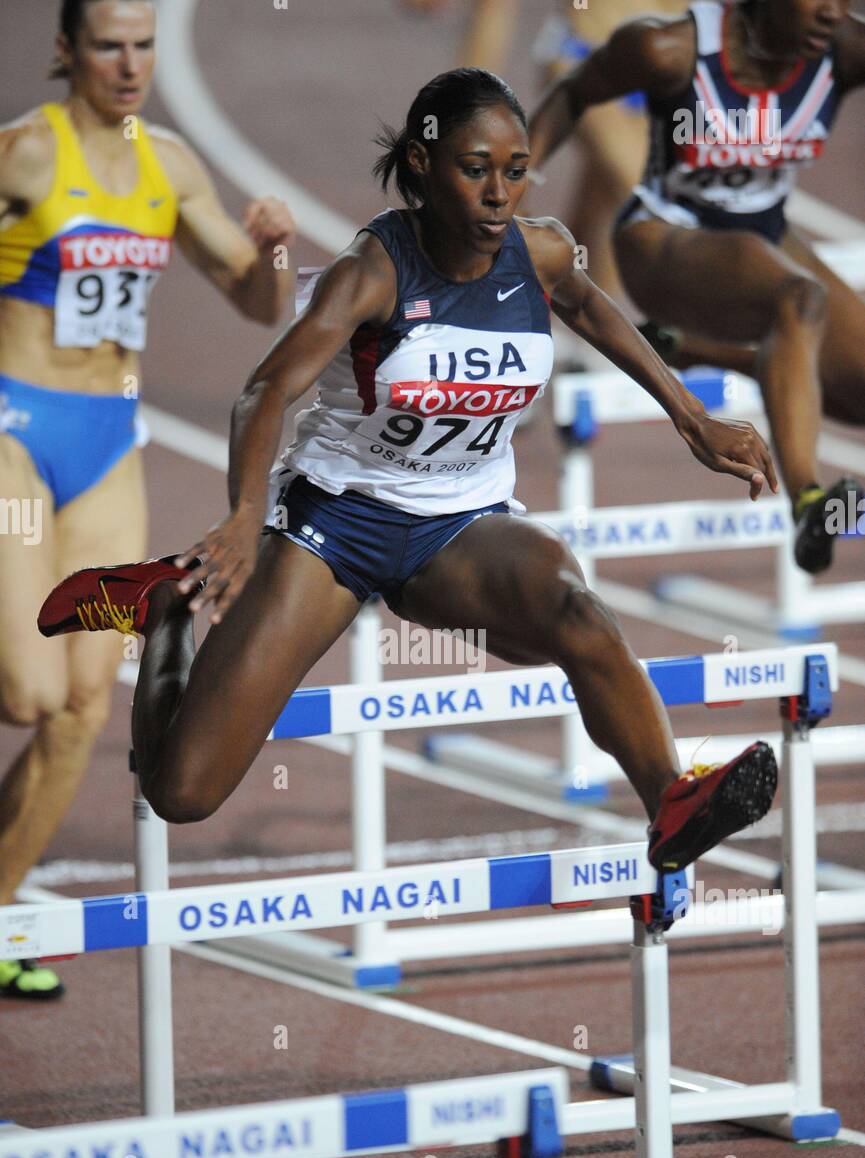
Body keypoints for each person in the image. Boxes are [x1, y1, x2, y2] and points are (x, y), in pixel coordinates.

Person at [39, 67, 779, 881]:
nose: (498, 193)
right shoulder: (376, 272)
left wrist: (691, 418)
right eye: (475, 169)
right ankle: (165, 614)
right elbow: (265, 391)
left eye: (515, 168)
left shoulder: (536, 252)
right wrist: (247, 518)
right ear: (424, 167)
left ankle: (670, 798)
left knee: (573, 614)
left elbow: (587, 302)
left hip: (459, 527)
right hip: (334, 525)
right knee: (184, 791)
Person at [0, 0, 296, 998]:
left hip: (105, 446)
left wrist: (273, 251)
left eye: (143, 45)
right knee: (28, 690)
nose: (130, 65)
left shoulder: (170, 166)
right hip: (12, 436)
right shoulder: (25, 158)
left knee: (84, 707)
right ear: (67, 51)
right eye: (108, 46)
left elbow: (254, 299)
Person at [529, 0, 865, 573]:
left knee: (858, 391)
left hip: (765, 235)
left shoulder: (847, 50)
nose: (834, 13)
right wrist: (514, 188)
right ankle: (809, 500)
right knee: (799, 297)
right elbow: (574, 93)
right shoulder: (669, 47)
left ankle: (711, 354)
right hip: (663, 241)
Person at [532, 0, 689, 304]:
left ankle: (561, 331)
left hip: (649, 93)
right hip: (581, 55)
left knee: (593, 228)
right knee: (640, 197)